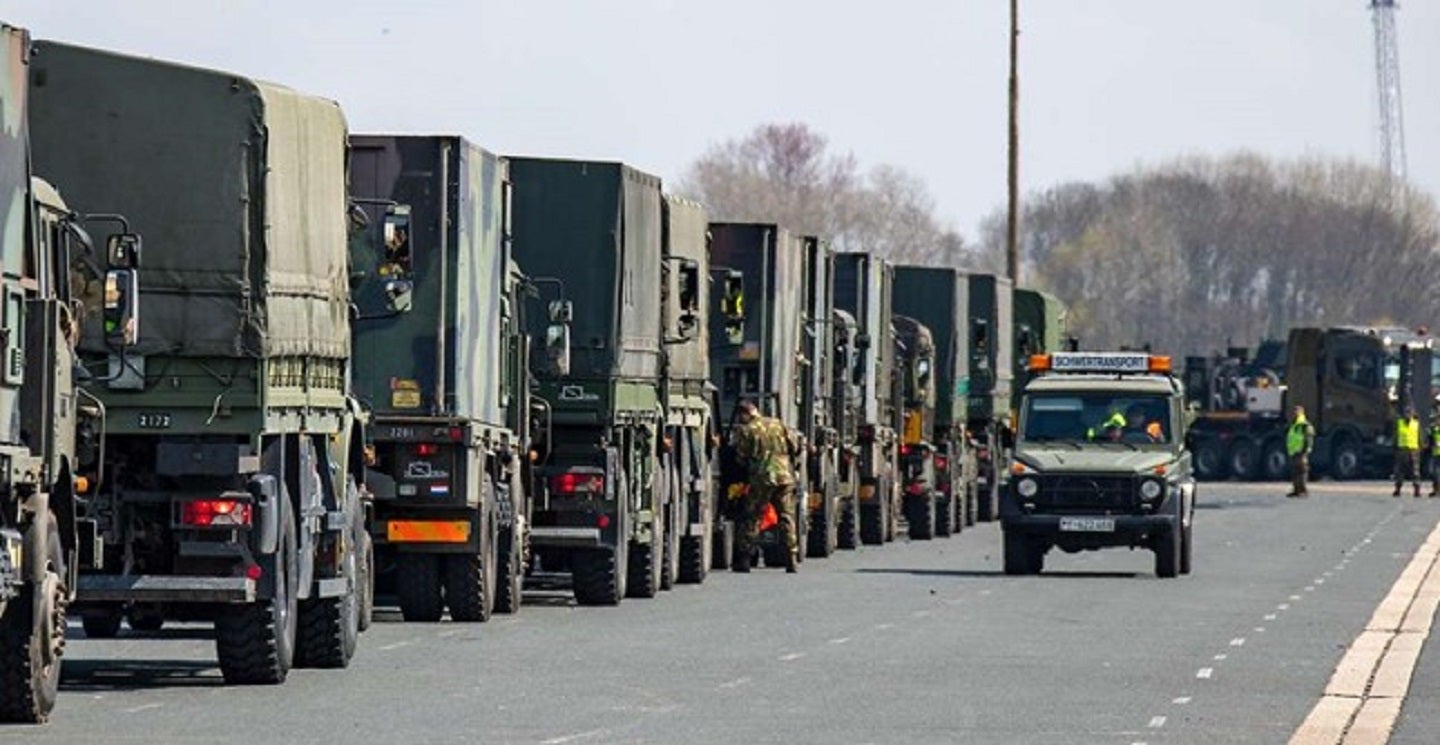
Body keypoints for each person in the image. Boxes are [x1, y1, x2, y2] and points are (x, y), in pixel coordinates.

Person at [732, 399, 799, 573]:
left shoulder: (747, 430)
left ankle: (745, 559)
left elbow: (740, 457)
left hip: (762, 479)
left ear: (745, 414)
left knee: (752, 517)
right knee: (786, 517)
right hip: (784, 477)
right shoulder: (777, 424)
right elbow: (794, 447)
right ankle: (791, 558)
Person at [1285, 405, 1315, 498]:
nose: (1294, 412)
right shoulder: (1294, 424)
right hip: (1294, 452)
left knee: (1302, 471)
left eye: (1297, 411)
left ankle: (1303, 490)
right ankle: (1296, 490)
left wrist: (1306, 449)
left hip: (1301, 451)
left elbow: (1309, 437)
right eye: (1294, 411)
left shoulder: (1303, 424)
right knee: (1295, 472)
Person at [1394, 406, 1422, 498]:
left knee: (1415, 471)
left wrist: (1419, 448)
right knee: (1400, 471)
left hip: (1413, 450)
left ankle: (1417, 490)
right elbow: (1396, 437)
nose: (1408, 415)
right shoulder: (1399, 423)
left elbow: (1419, 437)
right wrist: (1396, 448)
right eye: (1407, 413)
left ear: (1412, 414)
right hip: (1402, 450)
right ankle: (1397, 489)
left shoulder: (1416, 424)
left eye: (1410, 413)